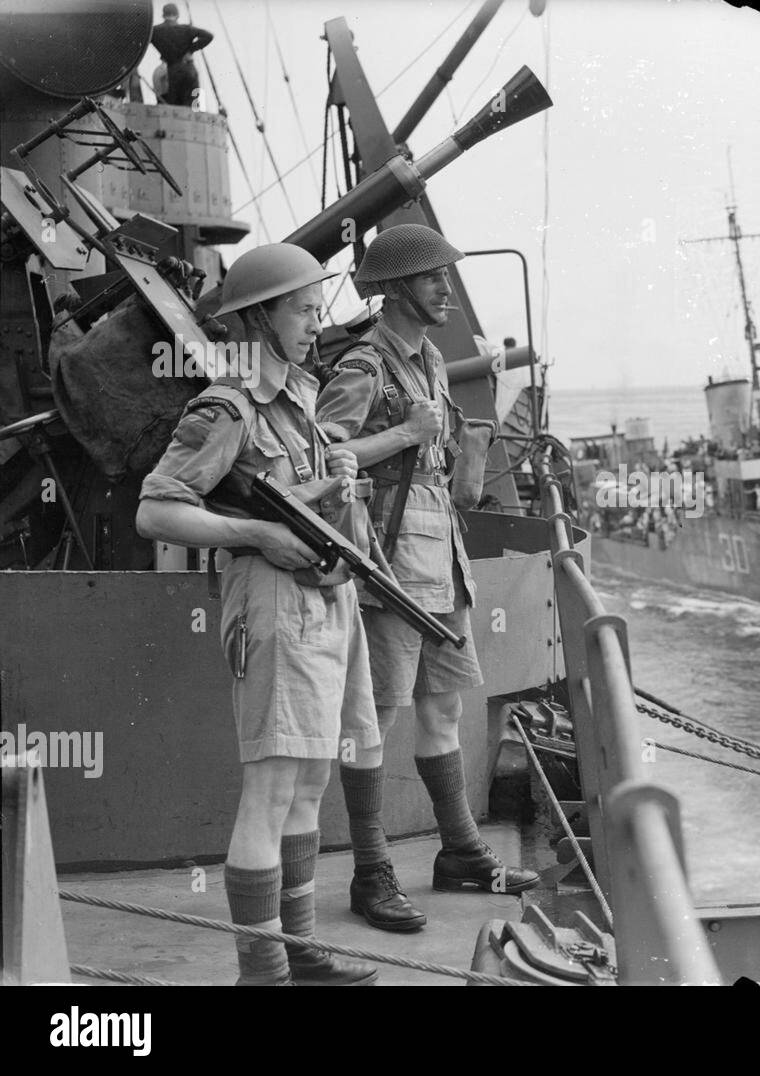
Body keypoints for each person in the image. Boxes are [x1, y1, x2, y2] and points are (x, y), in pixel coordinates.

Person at [136, 244, 380, 985]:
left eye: (315, 307)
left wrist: (339, 485)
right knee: (271, 788)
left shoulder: (301, 398)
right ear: (259, 318)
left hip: (325, 600)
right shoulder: (226, 405)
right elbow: (156, 510)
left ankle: (301, 956)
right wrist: (256, 533)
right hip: (272, 603)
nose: (316, 321)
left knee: (309, 783)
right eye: (303, 309)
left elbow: (302, 503)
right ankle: (263, 971)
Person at [316, 225, 537, 930]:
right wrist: (405, 436)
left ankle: (462, 855)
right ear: (395, 288)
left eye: (445, 274)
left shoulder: (433, 360)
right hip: (388, 570)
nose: (446, 287)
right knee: (372, 721)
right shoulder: (362, 367)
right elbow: (321, 461)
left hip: (441, 562)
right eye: (432, 276)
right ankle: (371, 875)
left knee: (441, 710)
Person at [150, 3, 214, 108]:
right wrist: (190, 50)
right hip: (190, 70)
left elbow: (141, 40)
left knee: (175, 105)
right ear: (177, 15)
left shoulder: (155, 31)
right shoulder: (186, 29)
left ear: (163, 15)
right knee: (194, 105)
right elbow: (209, 36)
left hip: (173, 71)